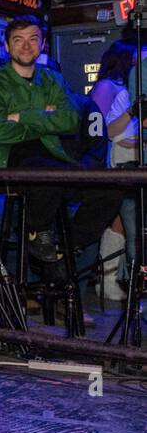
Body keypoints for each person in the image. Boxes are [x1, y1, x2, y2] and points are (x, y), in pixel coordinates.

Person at [0, 15, 123, 264]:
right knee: (45, 171)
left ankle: (68, 245)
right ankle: (37, 232)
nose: (26, 46)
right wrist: (45, 119)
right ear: (7, 46)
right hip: (7, 165)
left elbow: (70, 120)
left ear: (43, 44)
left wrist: (20, 117)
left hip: (52, 160)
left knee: (110, 188)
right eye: (18, 40)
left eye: (33, 39)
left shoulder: (53, 79)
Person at [90, 42, 140, 298]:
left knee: (125, 222)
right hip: (117, 163)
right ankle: (110, 282)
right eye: (134, 63)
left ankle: (117, 282)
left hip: (129, 161)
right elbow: (102, 130)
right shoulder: (112, 89)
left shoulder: (122, 90)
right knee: (122, 221)